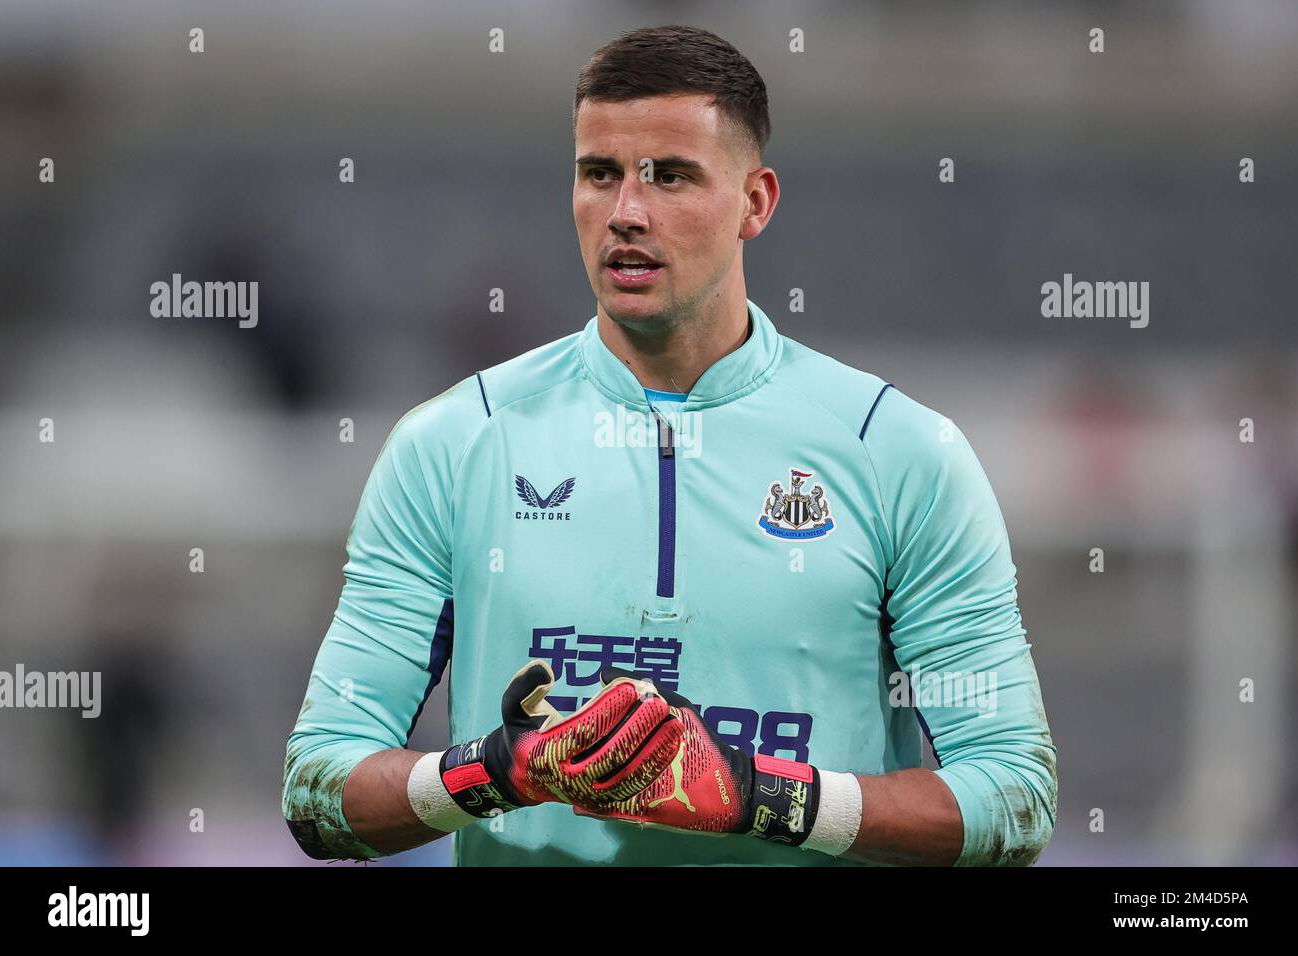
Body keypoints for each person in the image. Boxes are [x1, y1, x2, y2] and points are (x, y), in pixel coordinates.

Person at [283, 24, 1057, 866]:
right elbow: (320, 786)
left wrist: (762, 799)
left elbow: (1012, 799)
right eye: (599, 174)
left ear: (755, 203)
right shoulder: (453, 445)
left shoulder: (901, 456)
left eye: (672, 177)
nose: (627, 213)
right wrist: (498, 772)